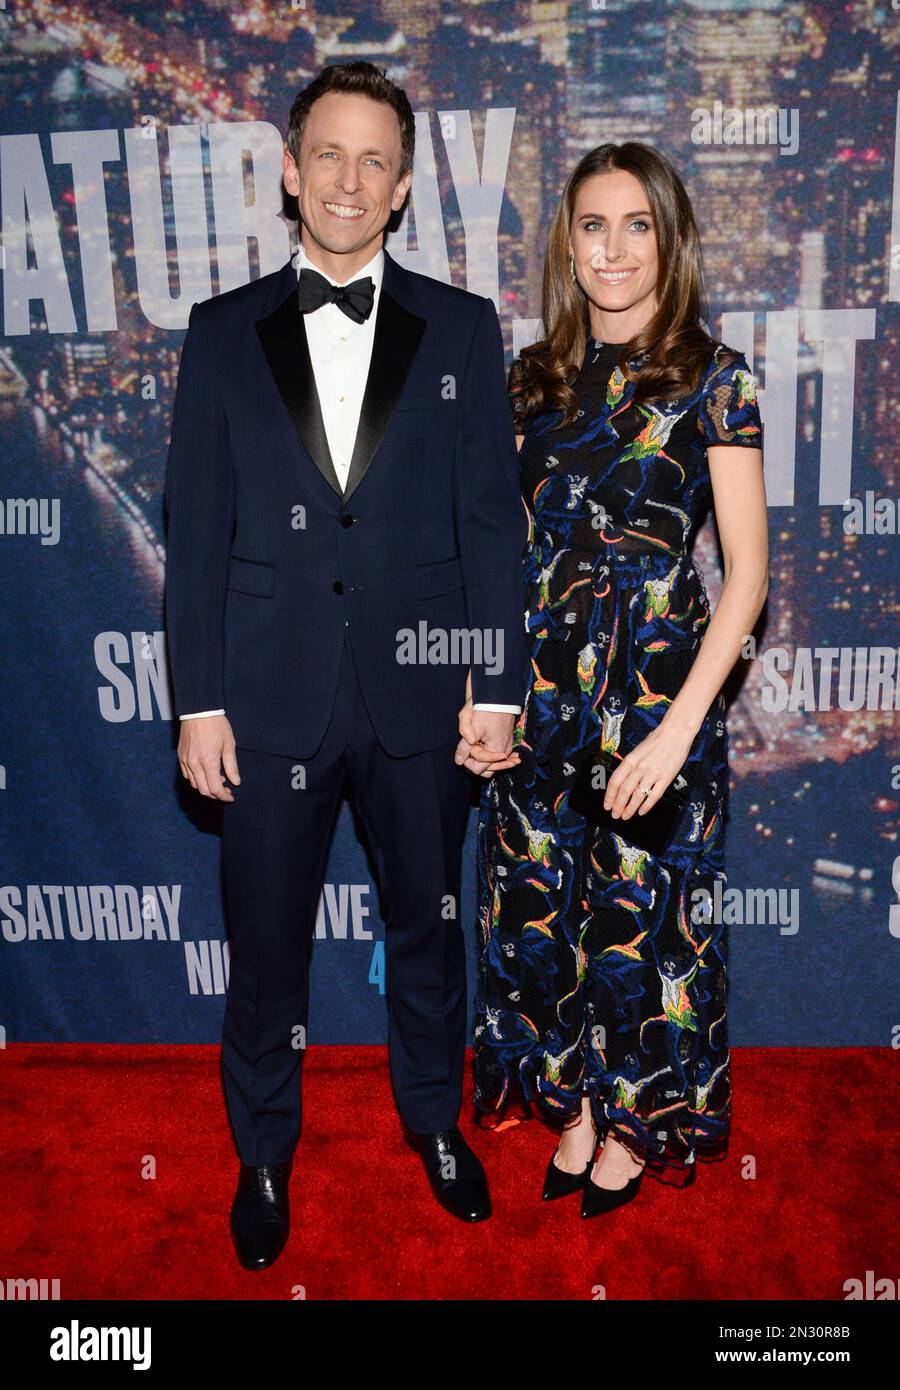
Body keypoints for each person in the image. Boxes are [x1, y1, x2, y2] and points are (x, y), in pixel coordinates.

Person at [164, 61, 526, 1269]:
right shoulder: (220, 337)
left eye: (376, 159)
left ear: (406, 184)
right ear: (288, 166)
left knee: (428, 933)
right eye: (330, 152)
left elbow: (490, 525)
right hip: (266, 702)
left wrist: (500, 683)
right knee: (265, 946)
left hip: (423, 693)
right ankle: (263, 1150)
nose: (349, 179)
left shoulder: (466, 329)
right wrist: (198, 699)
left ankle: (435, 1124)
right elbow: (195, 528)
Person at [465, 141, 768, 1217]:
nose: (613, 249)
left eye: (637, 224)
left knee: (643, 921)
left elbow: (745, 580)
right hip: (544, 697)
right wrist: (485, 696)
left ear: (670, 240)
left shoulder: (714, 378)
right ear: (568, 243)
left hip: (653, 703)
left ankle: (639, 1122)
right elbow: (498, 558)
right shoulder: (534, 379)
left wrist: (680, 733)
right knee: (546, 921)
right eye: (593, 226)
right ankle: (580, 1106)